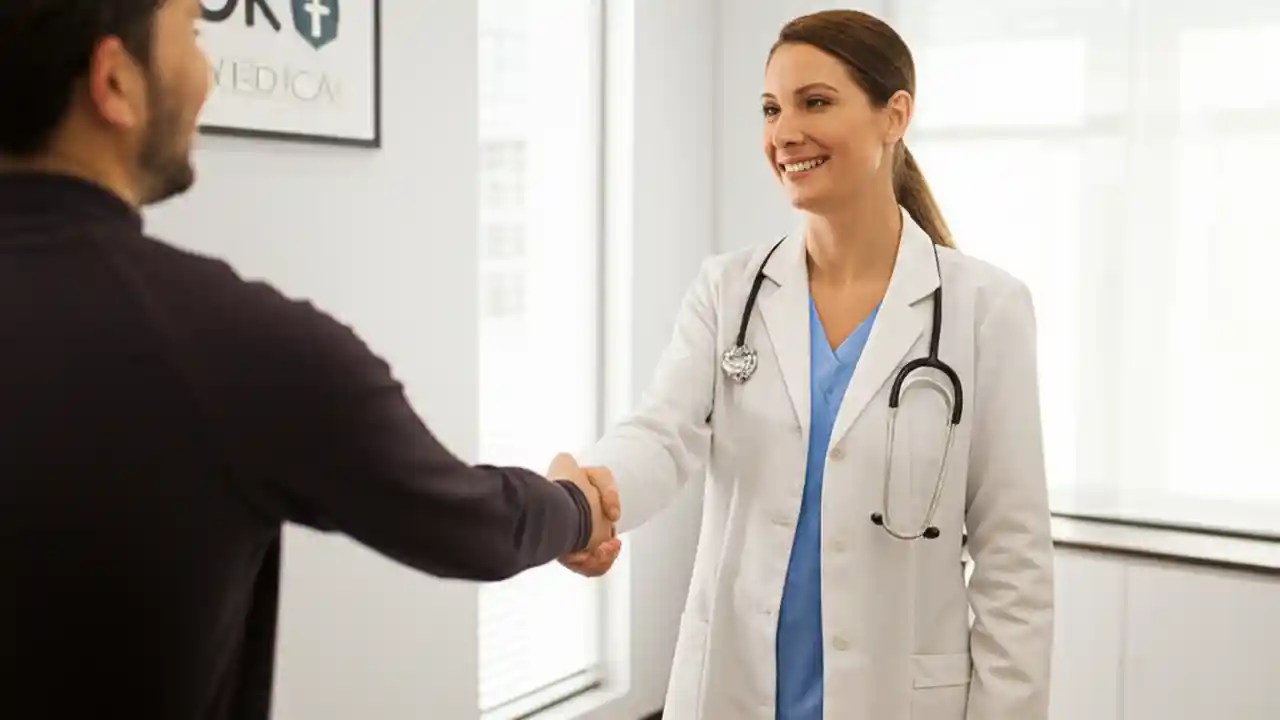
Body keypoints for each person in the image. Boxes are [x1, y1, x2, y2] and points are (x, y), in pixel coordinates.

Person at [0, 1, 622, 718]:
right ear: (115, 82)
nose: (206, 75)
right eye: (195, 36)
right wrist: (577, 508)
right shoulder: (229, 345)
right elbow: (472, 525)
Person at [558, 9, 1054, 720]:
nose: (783, 132)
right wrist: (591, 498)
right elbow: (660, 435)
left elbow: (1014, 559)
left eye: (814, 102)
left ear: (895, 116)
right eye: (770, 108)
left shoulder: (986, 308)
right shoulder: (729, 290)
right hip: (735, 689)